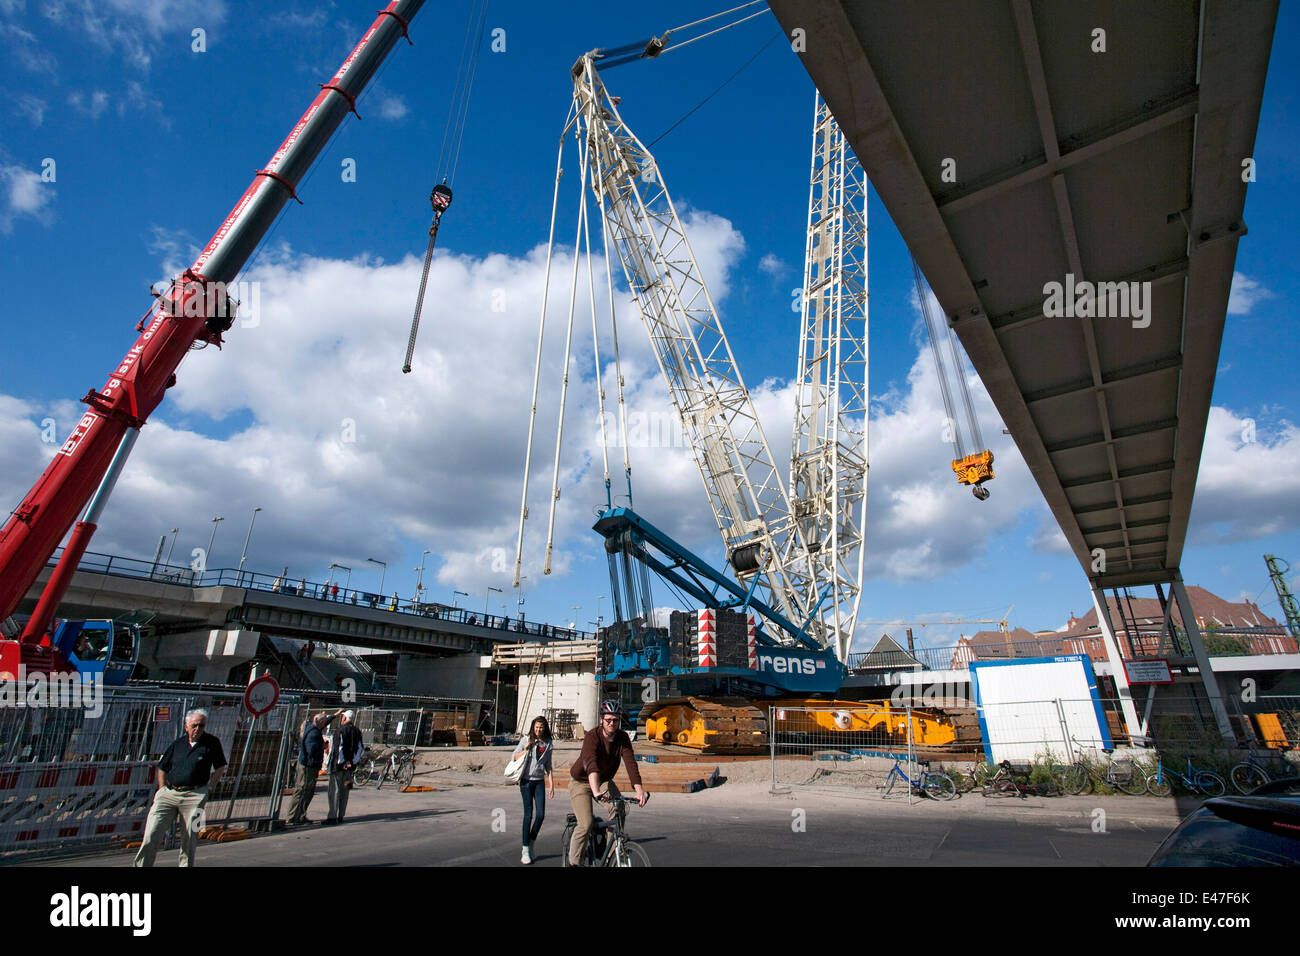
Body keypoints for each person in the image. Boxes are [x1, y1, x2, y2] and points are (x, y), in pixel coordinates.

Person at [134, 708, 227, 867]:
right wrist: (162, 789)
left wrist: (209, 787)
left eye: (201, 725)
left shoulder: (212, 743)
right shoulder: (178, 744)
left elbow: (220, 767)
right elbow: (162, 767)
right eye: (194, 725)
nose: (198, 729)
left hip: (195, 795)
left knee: (190, 838)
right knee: (151, 834)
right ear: (186, 727)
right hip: (169, 794)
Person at [567, 700, 647, 866]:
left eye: (615, 720)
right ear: (601, 720)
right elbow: (591, 764)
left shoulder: (622, 738)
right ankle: (574, 862)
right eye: (608, 720)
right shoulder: (592, 736)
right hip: (581, 782)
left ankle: (613, 855)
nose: (612, 723)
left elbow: (631, 763)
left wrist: (639, 790)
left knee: (619, 808)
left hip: (603, 781)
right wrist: (596, 791)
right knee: (586, 824)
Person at [287, 710, 343, 826]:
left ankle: (299, 815)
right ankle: (295, 816)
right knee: (304, 790)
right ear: (320, 723)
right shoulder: (314, 734)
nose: (325, 725)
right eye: (324, 722)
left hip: (307, 764)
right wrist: (323, 746)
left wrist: (335, 715)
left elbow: (324, 722)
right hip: (308, 766)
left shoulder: (312, 727)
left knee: (305, 790)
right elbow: (311, 750)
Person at [512, 715, 555, 864]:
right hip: (526, 782)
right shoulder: (526, 739)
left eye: (541, 727)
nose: (538, 730)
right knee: (528, 815)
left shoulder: (548, 743)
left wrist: (552, 784)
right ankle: (525, 850)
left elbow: (548, 765)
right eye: (536, 727)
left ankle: (531, 842)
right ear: (533, 727)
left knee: (541, 815)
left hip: (539, 782)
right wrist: (526, 748)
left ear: (545, 728)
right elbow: (514, 757)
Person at [325, 709, 364, 824]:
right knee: (345, 790)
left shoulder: (340, 731)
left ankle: (332, 816)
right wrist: (353, 762)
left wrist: (342, 763)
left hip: (338, 767)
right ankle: (341, 815)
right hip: (350, 767)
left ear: (345, 718)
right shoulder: (357, 731)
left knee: (334, 790)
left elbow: (339, 748)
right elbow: (360, 748)